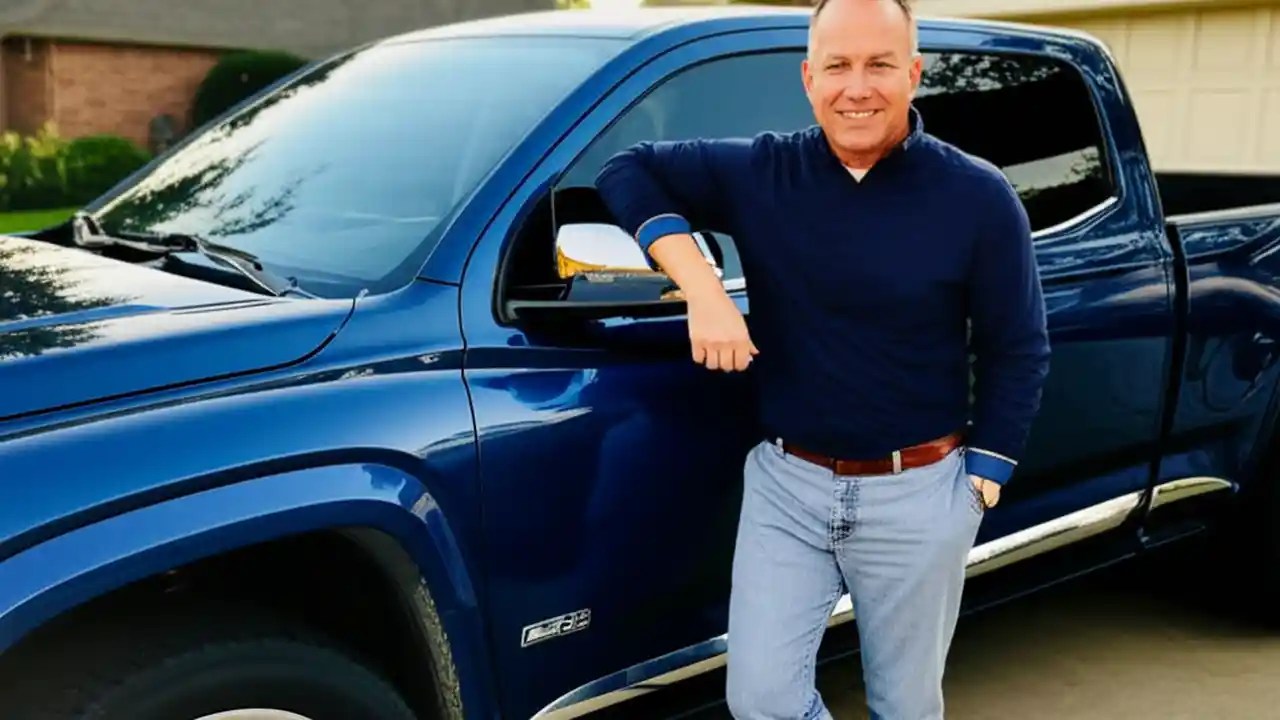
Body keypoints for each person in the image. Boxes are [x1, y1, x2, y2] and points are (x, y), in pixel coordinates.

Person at [594, 0, 1050, 717]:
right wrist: (703, 288)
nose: (856, 87)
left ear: (914, 73)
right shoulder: (765, 169)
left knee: (904, 705)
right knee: (763, 700)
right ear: (809, 78)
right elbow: (627, 169)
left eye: (879, 65)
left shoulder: (977, 196)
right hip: (787, 487)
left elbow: (1017, 346)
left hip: (919, 494)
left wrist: (982, 482)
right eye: (837, 66)